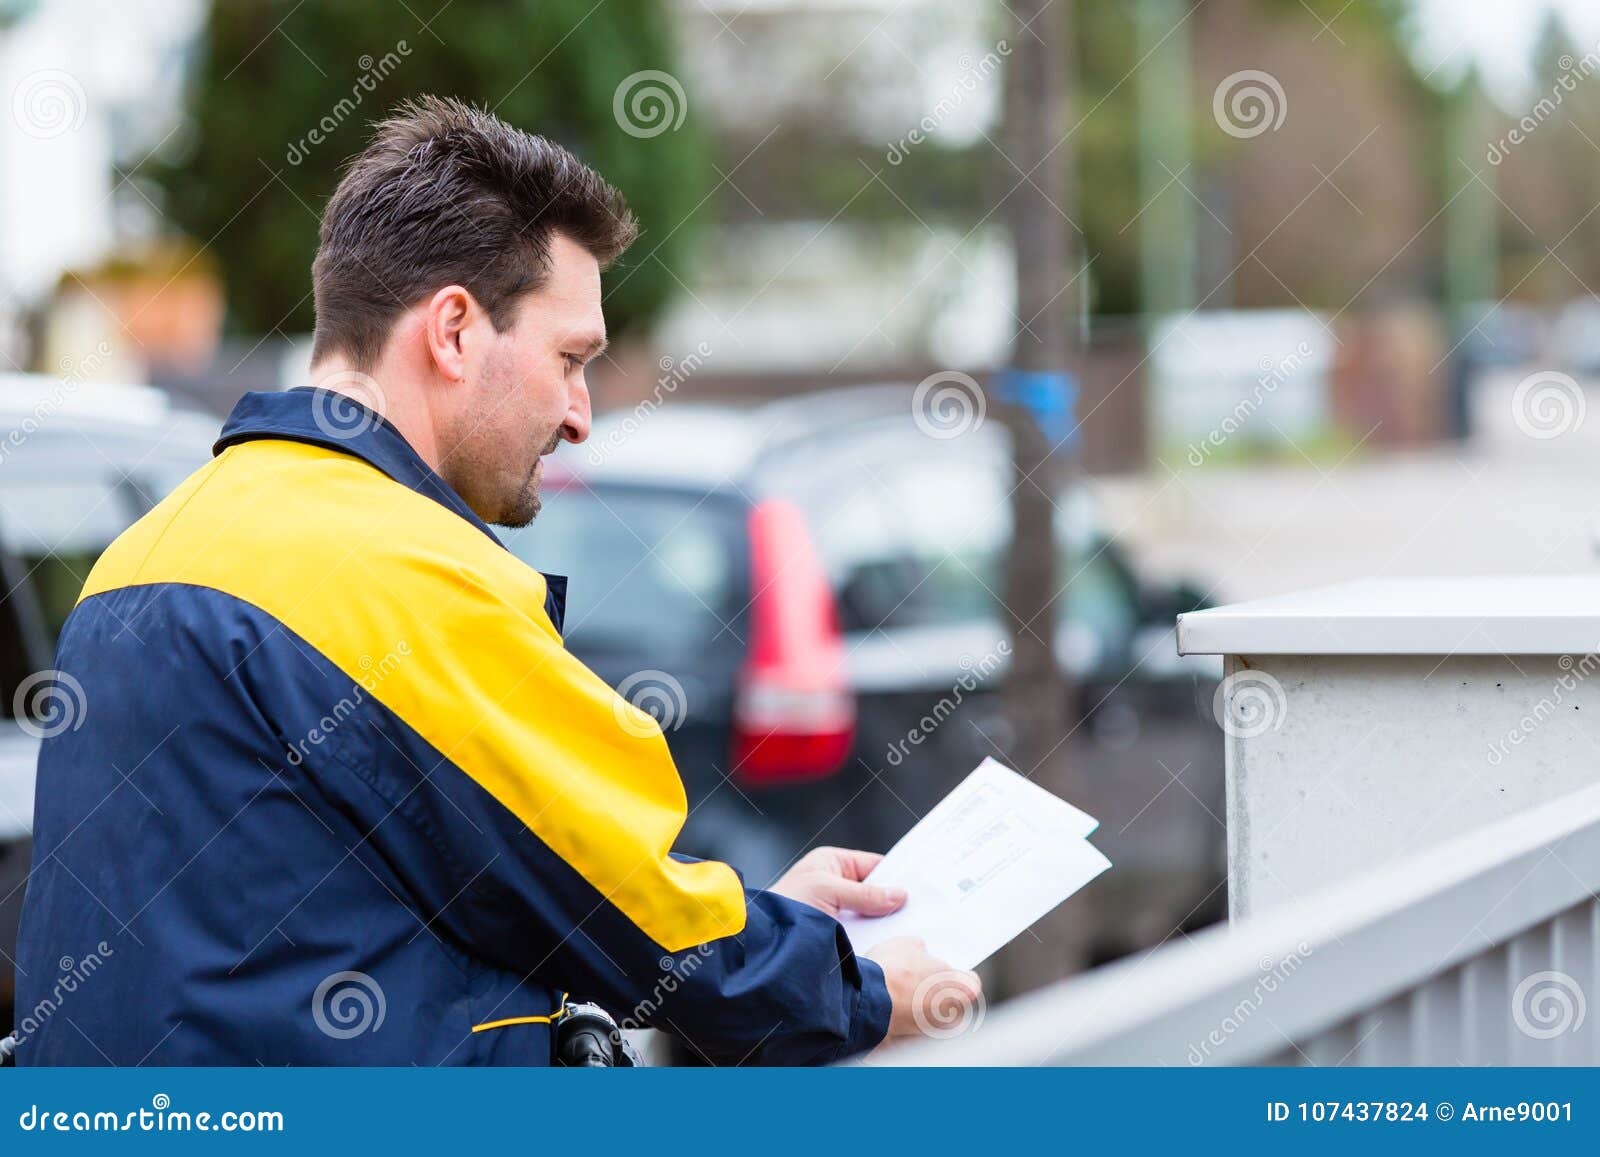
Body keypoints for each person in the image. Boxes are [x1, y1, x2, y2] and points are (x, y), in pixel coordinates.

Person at [11, 96, 978, 1066]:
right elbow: (655, 934)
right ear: (455, 332)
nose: (580, 414)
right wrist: (858, 983)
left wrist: (763, 914)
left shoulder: (141, 551)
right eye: (569, 359)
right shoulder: (395, 566)